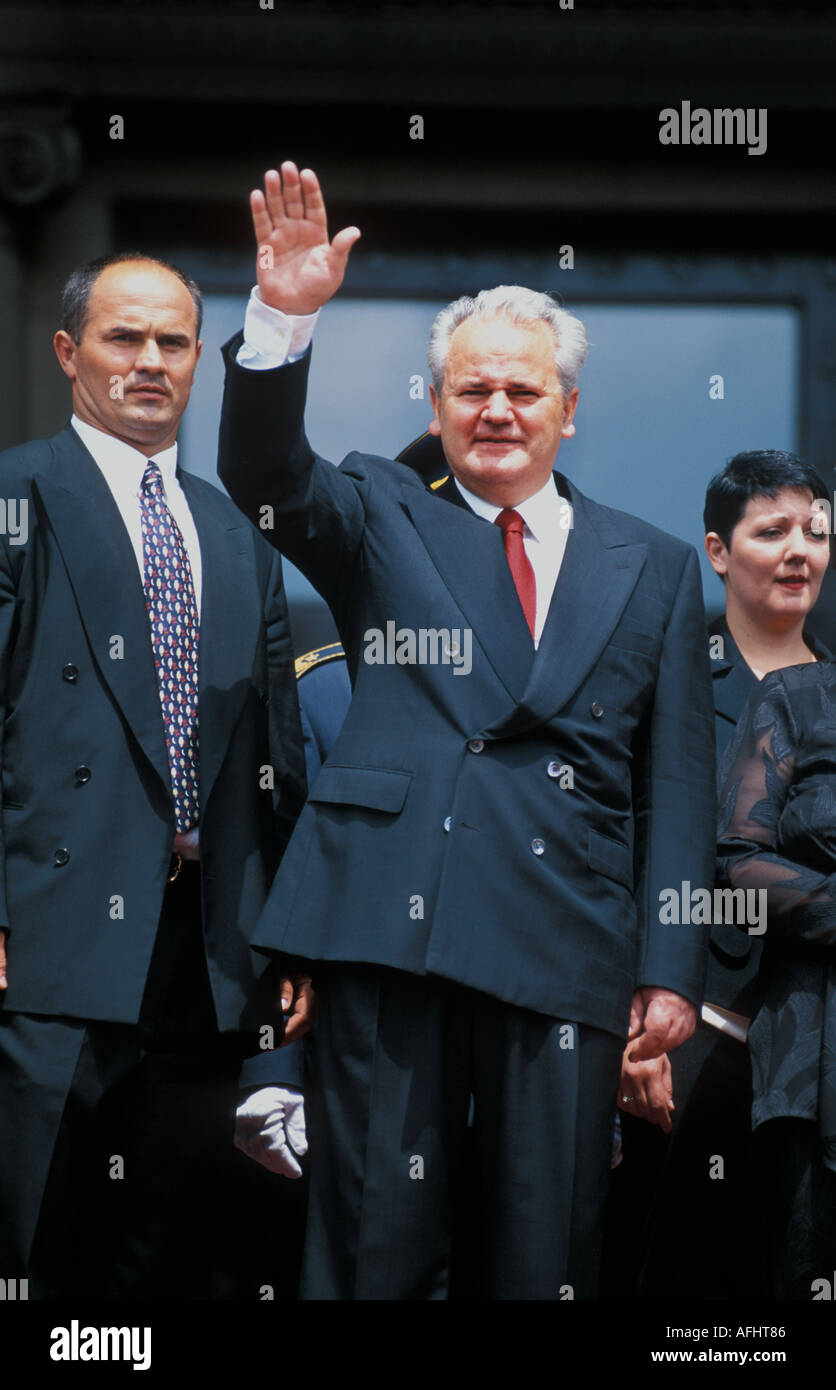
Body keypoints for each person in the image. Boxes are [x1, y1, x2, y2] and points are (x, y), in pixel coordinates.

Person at [219, 163, 717, 1300]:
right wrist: (283, 317)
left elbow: (677, 790)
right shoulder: (382, 510)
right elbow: (261, 473)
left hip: (564, 940)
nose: (495, 409)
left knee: (544, 1253)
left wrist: (668, 968)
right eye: (470, 389)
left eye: (522, 392)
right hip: (394, 923)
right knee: (372, 1244)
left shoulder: (650, 562)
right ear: (435, 404)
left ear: (569, 410)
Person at [0, 253, 307, 1299]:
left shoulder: (236, 532)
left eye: (173, 342)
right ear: (67, 351)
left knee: (164, 1263)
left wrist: (285, 932)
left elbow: (275, 757)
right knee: (34, 1248)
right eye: (123, 337)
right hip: (44, 945)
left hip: (205, 961)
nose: (149, 361)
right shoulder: (16, 494)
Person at [606, 449, 831, 1299]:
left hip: (811, 1041)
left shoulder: (833, 691)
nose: (798, 551)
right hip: (688, 1025)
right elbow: (623, 856)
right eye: (770, 531)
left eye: (816, 530)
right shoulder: (662, 684)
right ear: (716, 551)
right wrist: (632, 1021)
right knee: (656, 1263)